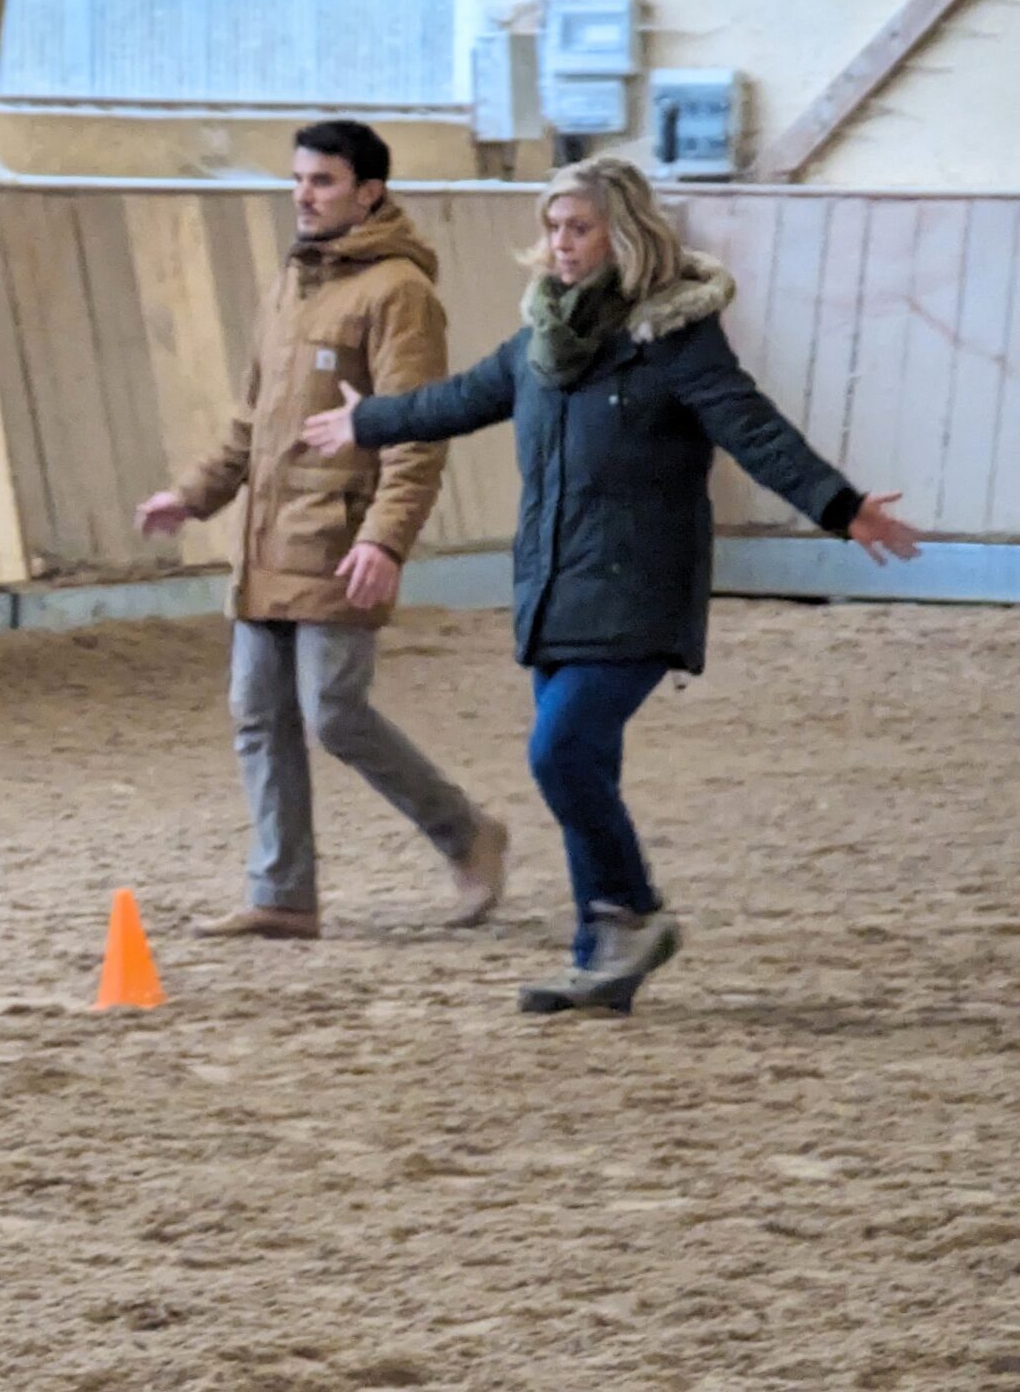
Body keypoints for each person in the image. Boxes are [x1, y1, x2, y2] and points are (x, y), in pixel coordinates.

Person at [303, 156, 920, 1012]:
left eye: (580, 227)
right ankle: (599, 955)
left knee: (559, 751)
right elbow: (460, 400)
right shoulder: (539, 341)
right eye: (554, 227)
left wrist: (839, 504)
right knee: (582, 765)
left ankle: (630, 911)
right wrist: (367, 418)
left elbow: (754, 429)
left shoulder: (676, 340)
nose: (561, 243)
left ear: (622, 234)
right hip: (554, 588)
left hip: (639, 588)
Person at [136, 120, 507, 941]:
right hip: (268, 534)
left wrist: (385, 537)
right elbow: (254, 417)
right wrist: (194, 496)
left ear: (369, 192)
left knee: (334, 710)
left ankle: (467, 833)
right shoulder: (292, 281)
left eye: (323, 181)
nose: (303, 195)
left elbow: (416, 429)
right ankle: (282, 891)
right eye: (299, 178)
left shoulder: (400, 293)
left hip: (339, 535)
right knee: (256, 712)